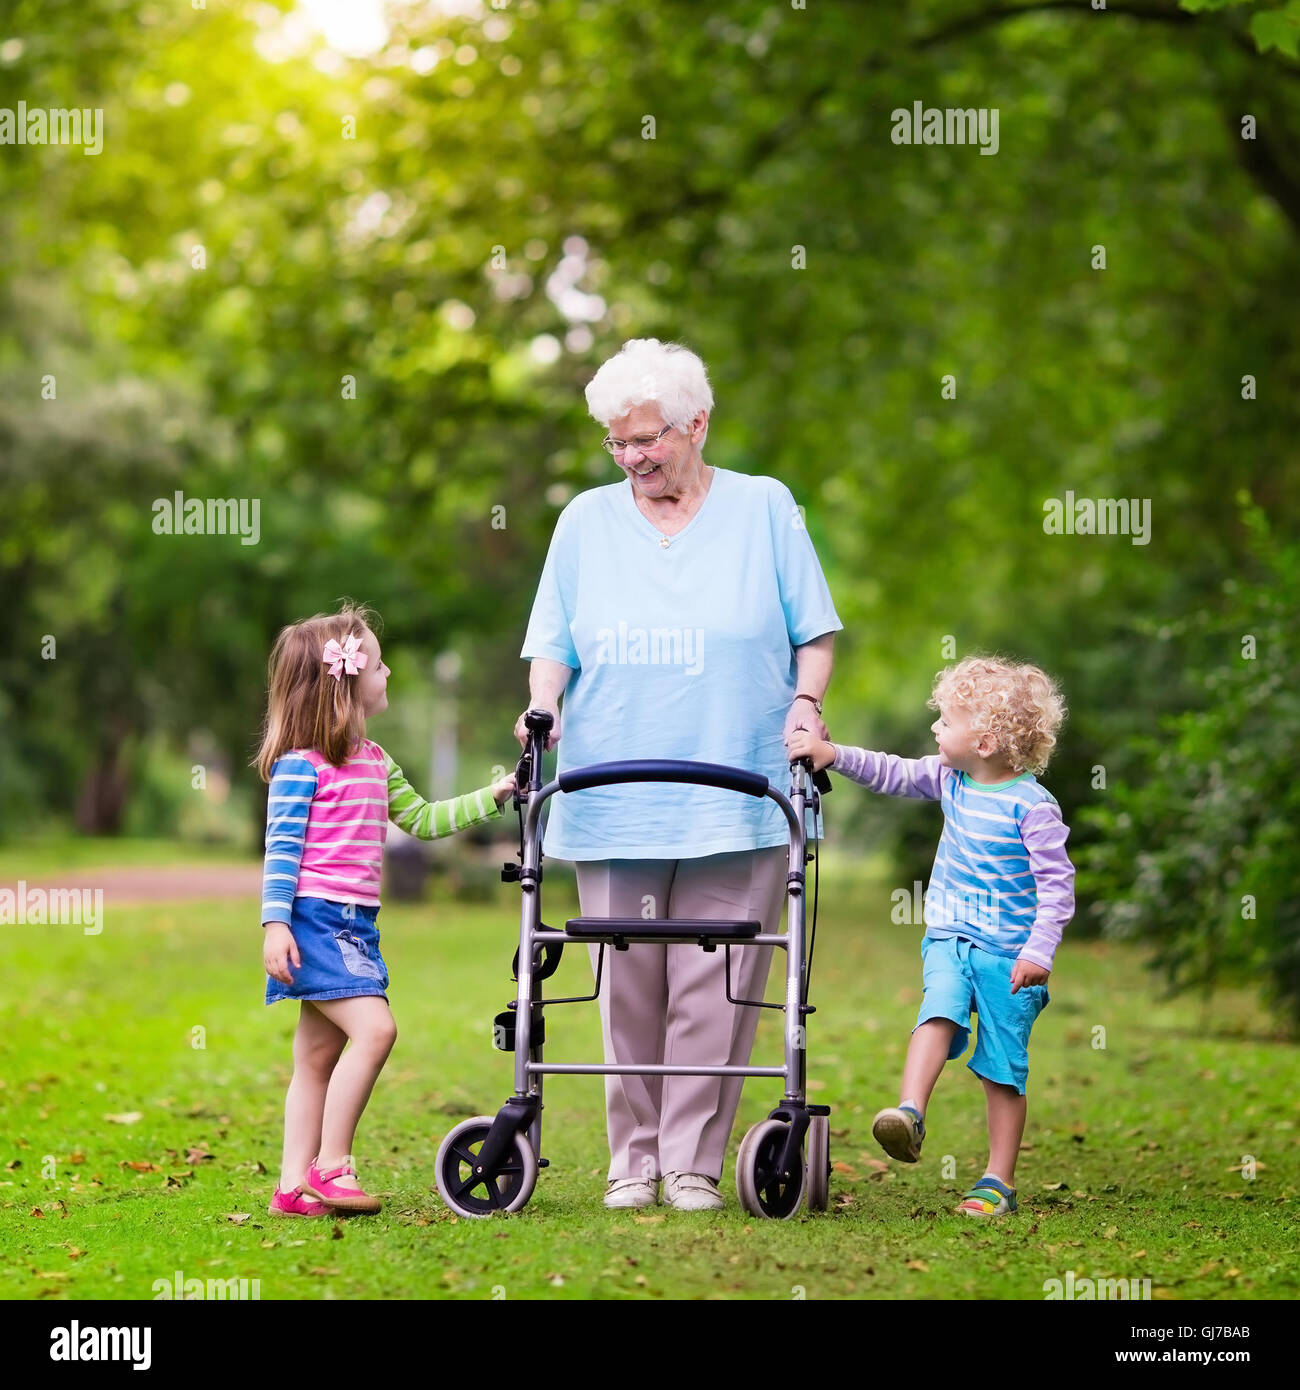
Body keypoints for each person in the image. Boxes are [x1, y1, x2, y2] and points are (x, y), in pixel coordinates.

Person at [515, 338, 841, 1211]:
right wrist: (541, 709)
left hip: (740, 785)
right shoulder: (584, 520)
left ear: (697, 424)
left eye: (647, 439)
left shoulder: (765, 508)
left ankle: (693, 1159)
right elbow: (553, 644)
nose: (632, 458)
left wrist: (805, 707)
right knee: (629, 984)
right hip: (613, 785)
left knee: (719, 982)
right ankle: (634, 1160)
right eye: (617, 444)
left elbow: (814, 631)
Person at [790, 655, 1074, 1217]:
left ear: (986, 741)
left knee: (1003, 1071)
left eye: (946, 720)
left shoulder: (1032, 807)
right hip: (950, 937)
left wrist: (1039, 950)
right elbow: (891, 772)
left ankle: (997, 1180)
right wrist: (833, 756)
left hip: (1010, 958)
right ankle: (910, 1113)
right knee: (937, 1011)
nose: (935, 729)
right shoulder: (951, 779)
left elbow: (1058, 888)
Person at [255, 602, 515, 1217]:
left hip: (356, 924)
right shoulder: (301, 766)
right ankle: (332, 1167)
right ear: (345, 681)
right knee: (377, 1029)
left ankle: (292, 1188)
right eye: (378, 662)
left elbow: (423, 820)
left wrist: (493, 795)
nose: (389, 671)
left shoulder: (375, 761)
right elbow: (282, 851)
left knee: (317, 1057)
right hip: (317, 919)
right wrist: (275, 924)